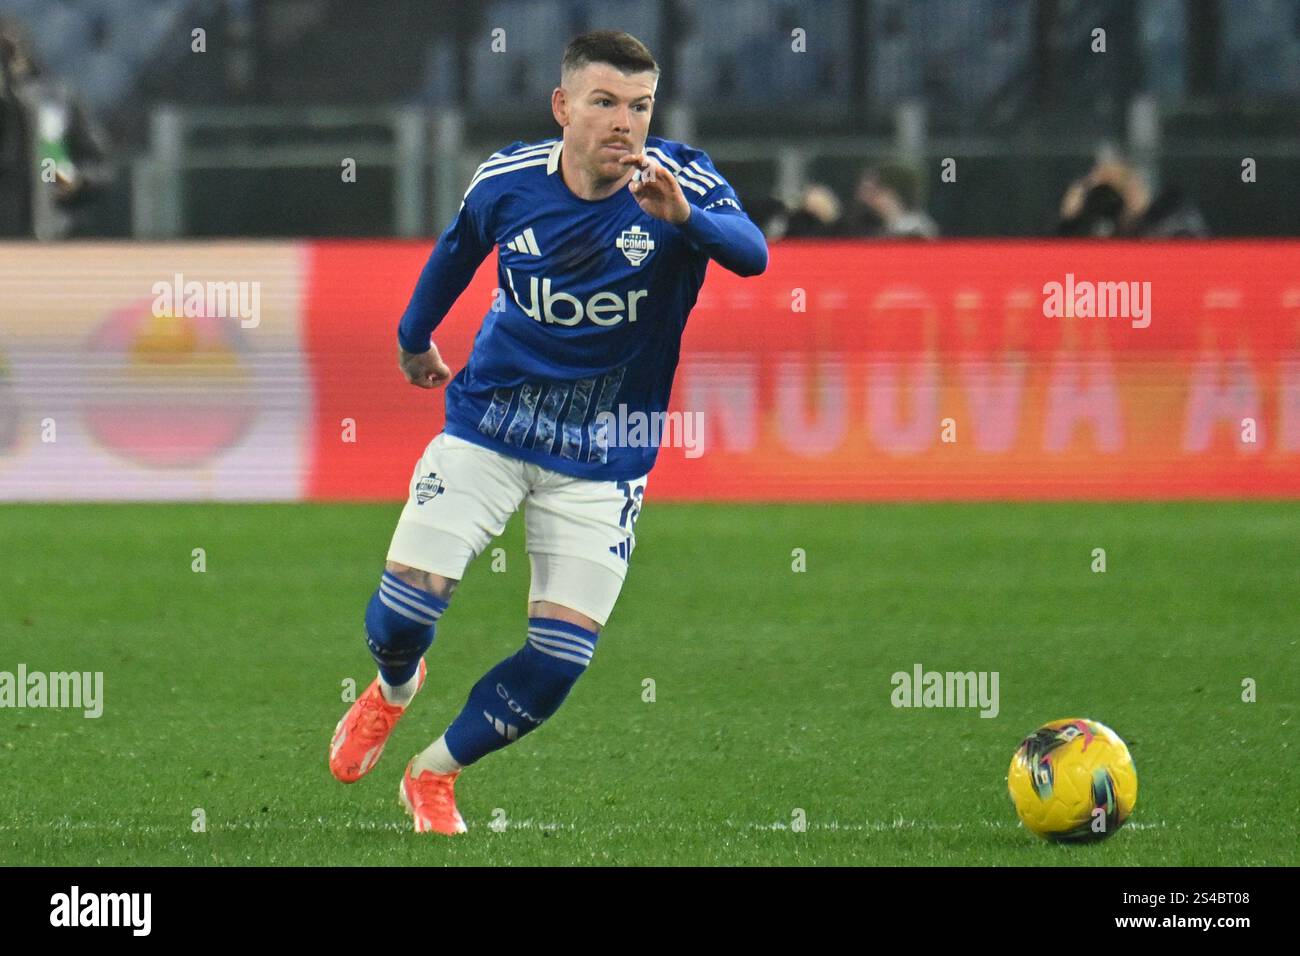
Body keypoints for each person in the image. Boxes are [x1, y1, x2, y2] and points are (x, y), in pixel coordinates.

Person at [327, 30, 768, 835]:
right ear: (563, 107)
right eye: (604, 103)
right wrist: (413, 336)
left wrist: (689, 218)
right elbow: (458, 250)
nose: (623, 124)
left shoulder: (684, 181)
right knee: (402, 615)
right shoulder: (510, 180)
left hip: (605, 459)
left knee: (560, 663)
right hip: (492, 424)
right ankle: (394, 688)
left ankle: (433, 774)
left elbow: (755, 256)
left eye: (639, 106)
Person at [0, 16, 110, 240]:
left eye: (11, 50)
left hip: (54, 234)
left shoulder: (57, 99)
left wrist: (74, 180)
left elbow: (97, 165)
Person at [841, 162, 938, 239]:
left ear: (889, 192)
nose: (861, 196)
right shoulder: (880, 226)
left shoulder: (915, 230)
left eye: (870, 190)